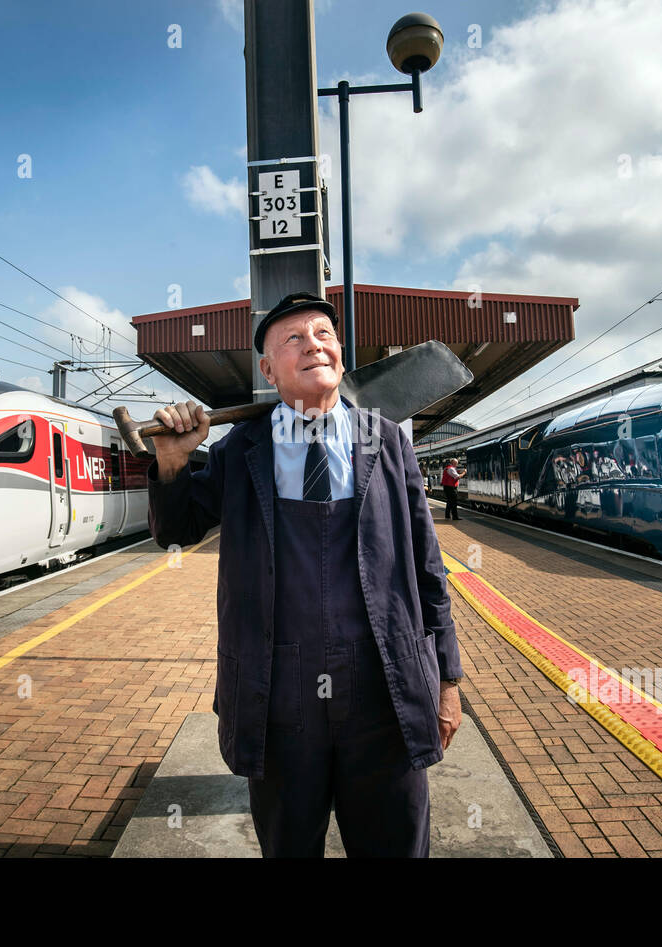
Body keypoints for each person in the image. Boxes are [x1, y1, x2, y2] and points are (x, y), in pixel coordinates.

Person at [146, 290, 464, 858]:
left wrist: (446, 681)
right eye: (293, 339)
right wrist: (173, 462)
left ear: (340, 353)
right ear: (268, 370)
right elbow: (175, 534)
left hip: (384, 686)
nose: (313, 345)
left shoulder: (387, 442)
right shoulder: (240, 449)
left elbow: (427, 569)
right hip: (277, 695)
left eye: (323, 334)